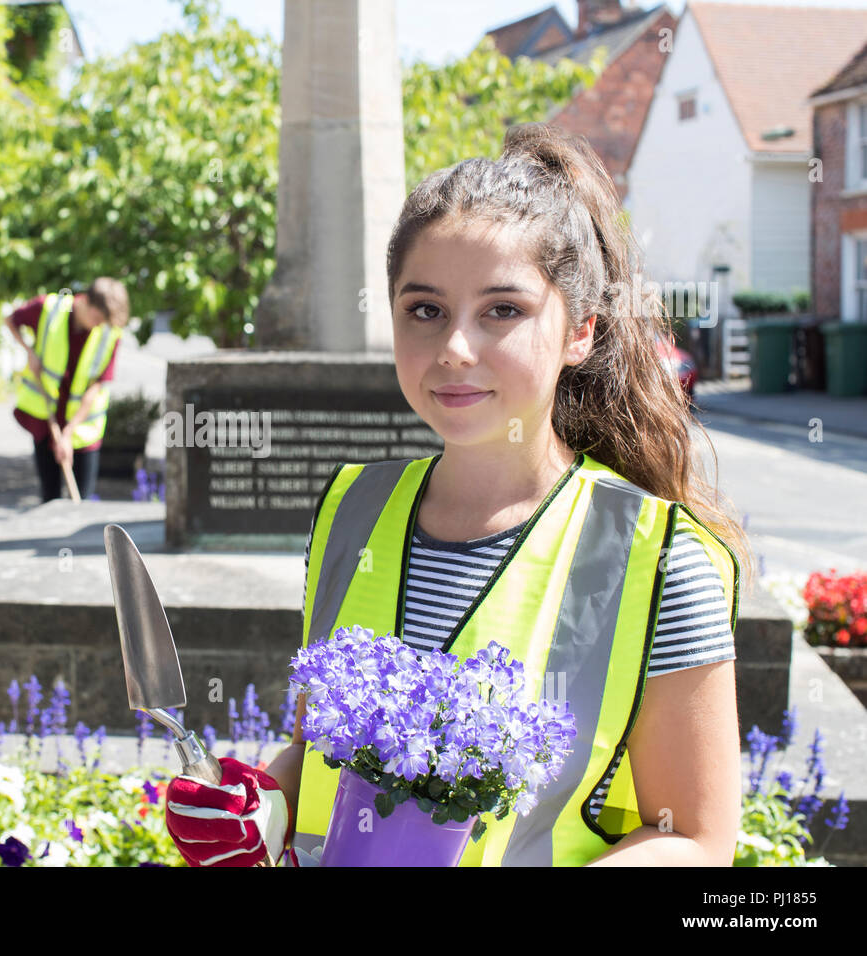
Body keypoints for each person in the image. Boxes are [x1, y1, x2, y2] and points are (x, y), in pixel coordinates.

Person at [164, 123, 755, 868]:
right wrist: (261, 807)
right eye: (425, 309)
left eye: (502, 310)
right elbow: (318, 755)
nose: (454, 348)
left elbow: (696, 838)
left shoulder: (664, 559)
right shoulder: (352, 508)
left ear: (580, 331)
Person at [7, 278, 129, 502]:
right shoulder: (49, 309)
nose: (100, 325)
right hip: (46, 419)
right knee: (50, 498)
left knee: (82, 500)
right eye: (97, 318)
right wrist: (29, 351)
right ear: (86, 301)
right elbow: (11, 320)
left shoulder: (109, 333)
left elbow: (95, 387)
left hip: (83, 428)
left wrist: (68, 434)